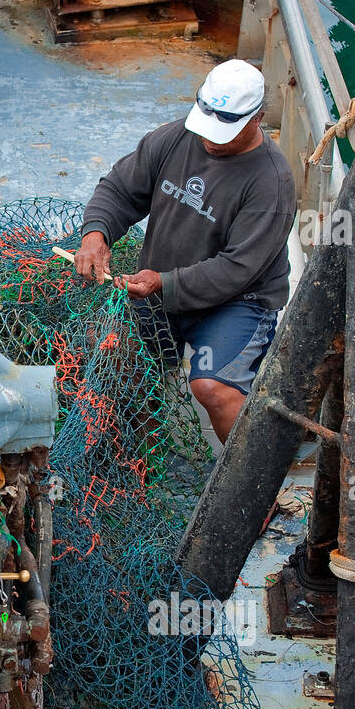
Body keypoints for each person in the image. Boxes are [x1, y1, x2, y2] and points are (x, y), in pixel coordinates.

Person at [75, 59, 295, 443]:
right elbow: (120, 189)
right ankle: (141, 451)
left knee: (211, 386)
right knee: (112, 350)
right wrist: (96, 233)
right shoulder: (177, 137)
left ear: (257, 118)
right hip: (160, 287)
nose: (210, 138)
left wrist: (164, 282)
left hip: (235, 303)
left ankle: (251, 488)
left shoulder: (271, 183)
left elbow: (237, 268)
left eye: (224, 131)